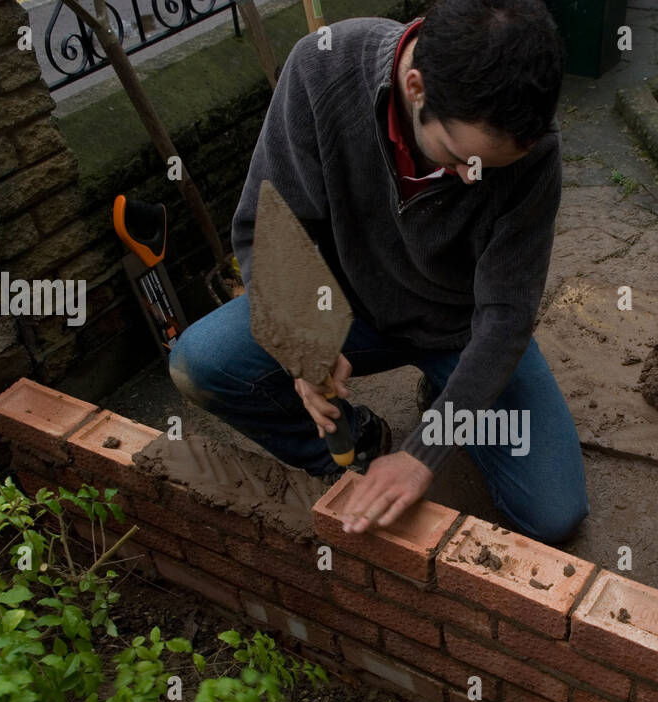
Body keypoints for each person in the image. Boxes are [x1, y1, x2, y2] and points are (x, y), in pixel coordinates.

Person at [167, 0, 588, 543]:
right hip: (345, 309)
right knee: (200, 363)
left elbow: (506, 317)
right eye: (460, 158)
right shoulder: (323, 68)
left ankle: (445, 391)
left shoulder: (533, 147)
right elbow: (264, 231)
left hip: (461, 329)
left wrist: (424, 451)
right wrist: (302, 341)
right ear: (416, 88)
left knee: (554, 513)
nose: (471, 179)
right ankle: (360, 438)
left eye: (491, 167)